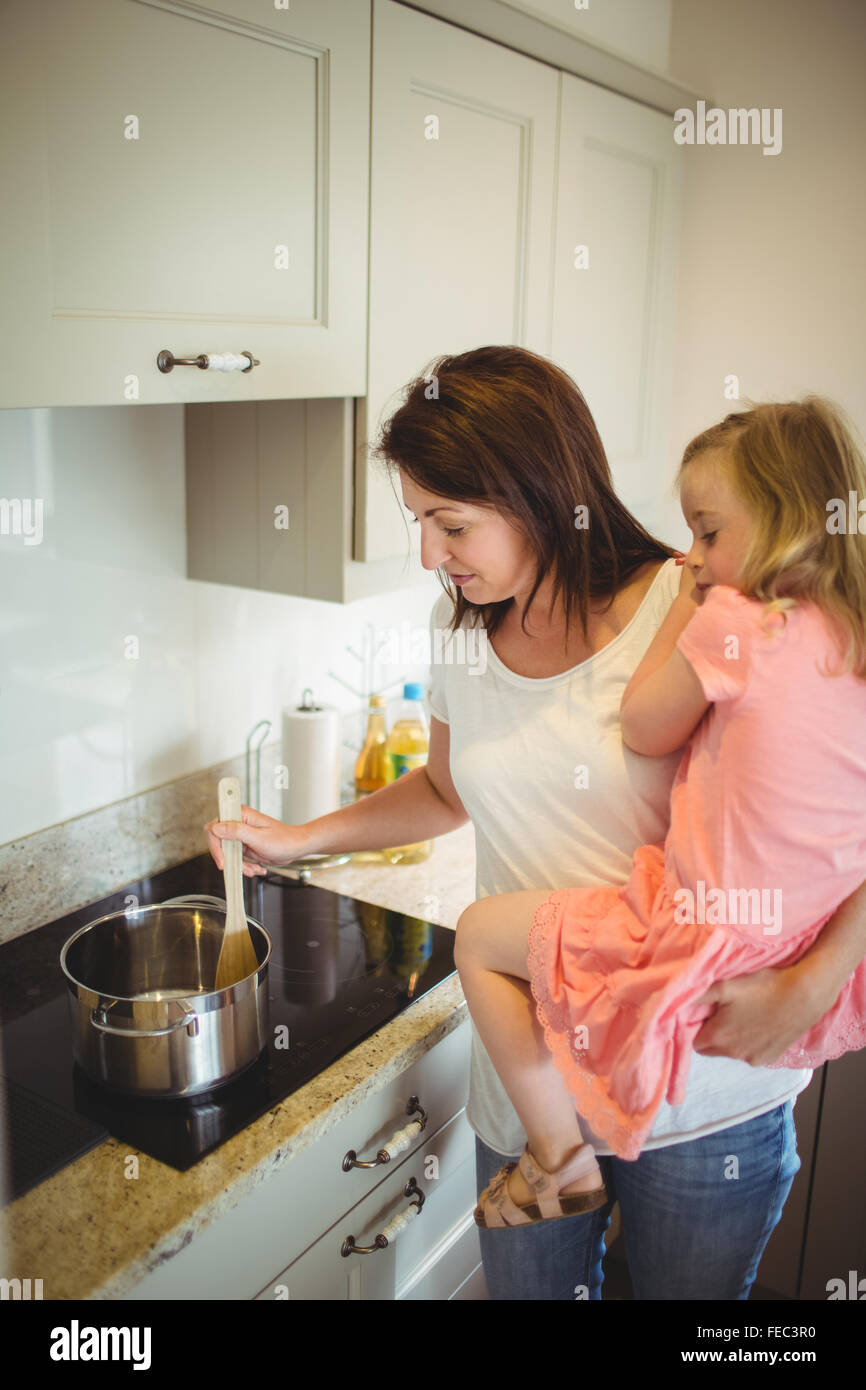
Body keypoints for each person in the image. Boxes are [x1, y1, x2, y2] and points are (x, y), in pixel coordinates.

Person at [205, 346, 866, 1299]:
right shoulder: (459, 632)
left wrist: (815, 984)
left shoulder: (701, 611)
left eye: (451, 523)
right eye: (420, 521)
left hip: (704, 1095)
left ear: (539, 493)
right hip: (531, 1094)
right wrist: (301, 840)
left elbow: (842, 815)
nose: (428, 555)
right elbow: (444, 791)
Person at [453, 395, 866, 1234]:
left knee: (477, 935)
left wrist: (690, 601)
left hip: (693, 937)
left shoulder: (731, 621)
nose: (696, 555)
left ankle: (558, 1160)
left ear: (786, 522)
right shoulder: (853, 637)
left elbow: (644, 726)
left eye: (710, 533)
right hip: (783, 945)